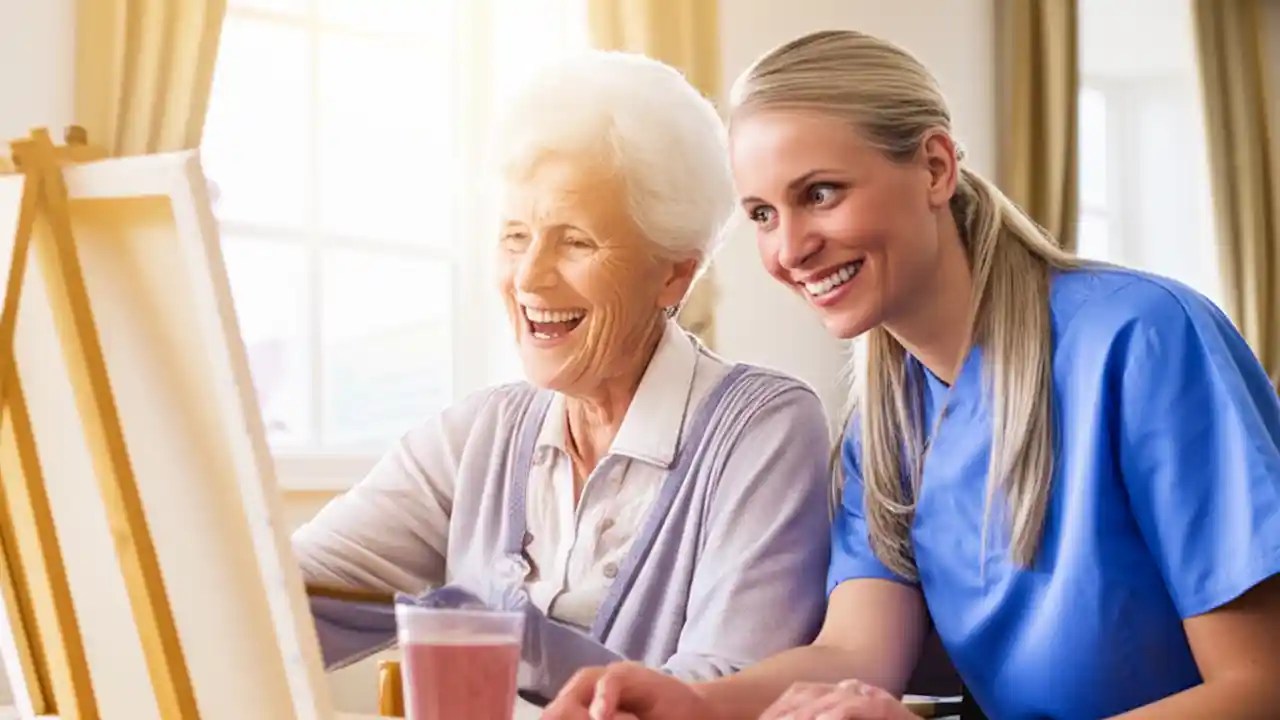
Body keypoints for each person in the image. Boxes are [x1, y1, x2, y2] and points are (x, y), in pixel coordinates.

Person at [544, 29, 1280, 719]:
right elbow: (857, 653)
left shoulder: (1143, 339)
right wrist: (690, 704)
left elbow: (1260, 686)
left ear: (934, 167)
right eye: (763, 214)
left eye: (821, 193)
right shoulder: (886, 432)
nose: (792, 248)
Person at [290, 50, 833, 698]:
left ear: (674, 273)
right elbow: (286, 601)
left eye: (575, 241)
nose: (529, 278)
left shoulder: (762, 429)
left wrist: (509, 639)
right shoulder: (479, 436)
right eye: (515, 237)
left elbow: (718, 690)